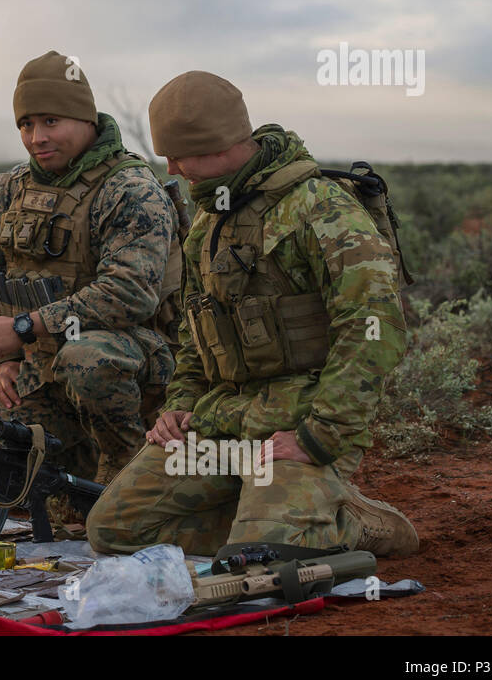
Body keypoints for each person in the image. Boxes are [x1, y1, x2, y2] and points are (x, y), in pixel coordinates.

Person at [86, 70, 419, 556]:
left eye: (182, 155)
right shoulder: (210, 219)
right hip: (222, 422)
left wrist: (319, 438)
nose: (174, 169)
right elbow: (196, 335)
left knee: (262, 554)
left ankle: (359, 524)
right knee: (114, 531)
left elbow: (373, 332)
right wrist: (179, 405)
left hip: (299, 425)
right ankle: (258, 523)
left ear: (221, 143)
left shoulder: (322, 211)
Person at [0, 51, 182, 485]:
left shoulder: (129, 188)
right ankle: (76, 459)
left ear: (86, 119)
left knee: (89, 356)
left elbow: (129, 293)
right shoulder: (9, 189)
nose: (36, 137)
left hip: (134, 365)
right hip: (45, 369)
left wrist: (25, 327)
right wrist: (3, 361)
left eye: (50, 121)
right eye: (25, 125)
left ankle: (125, 468)